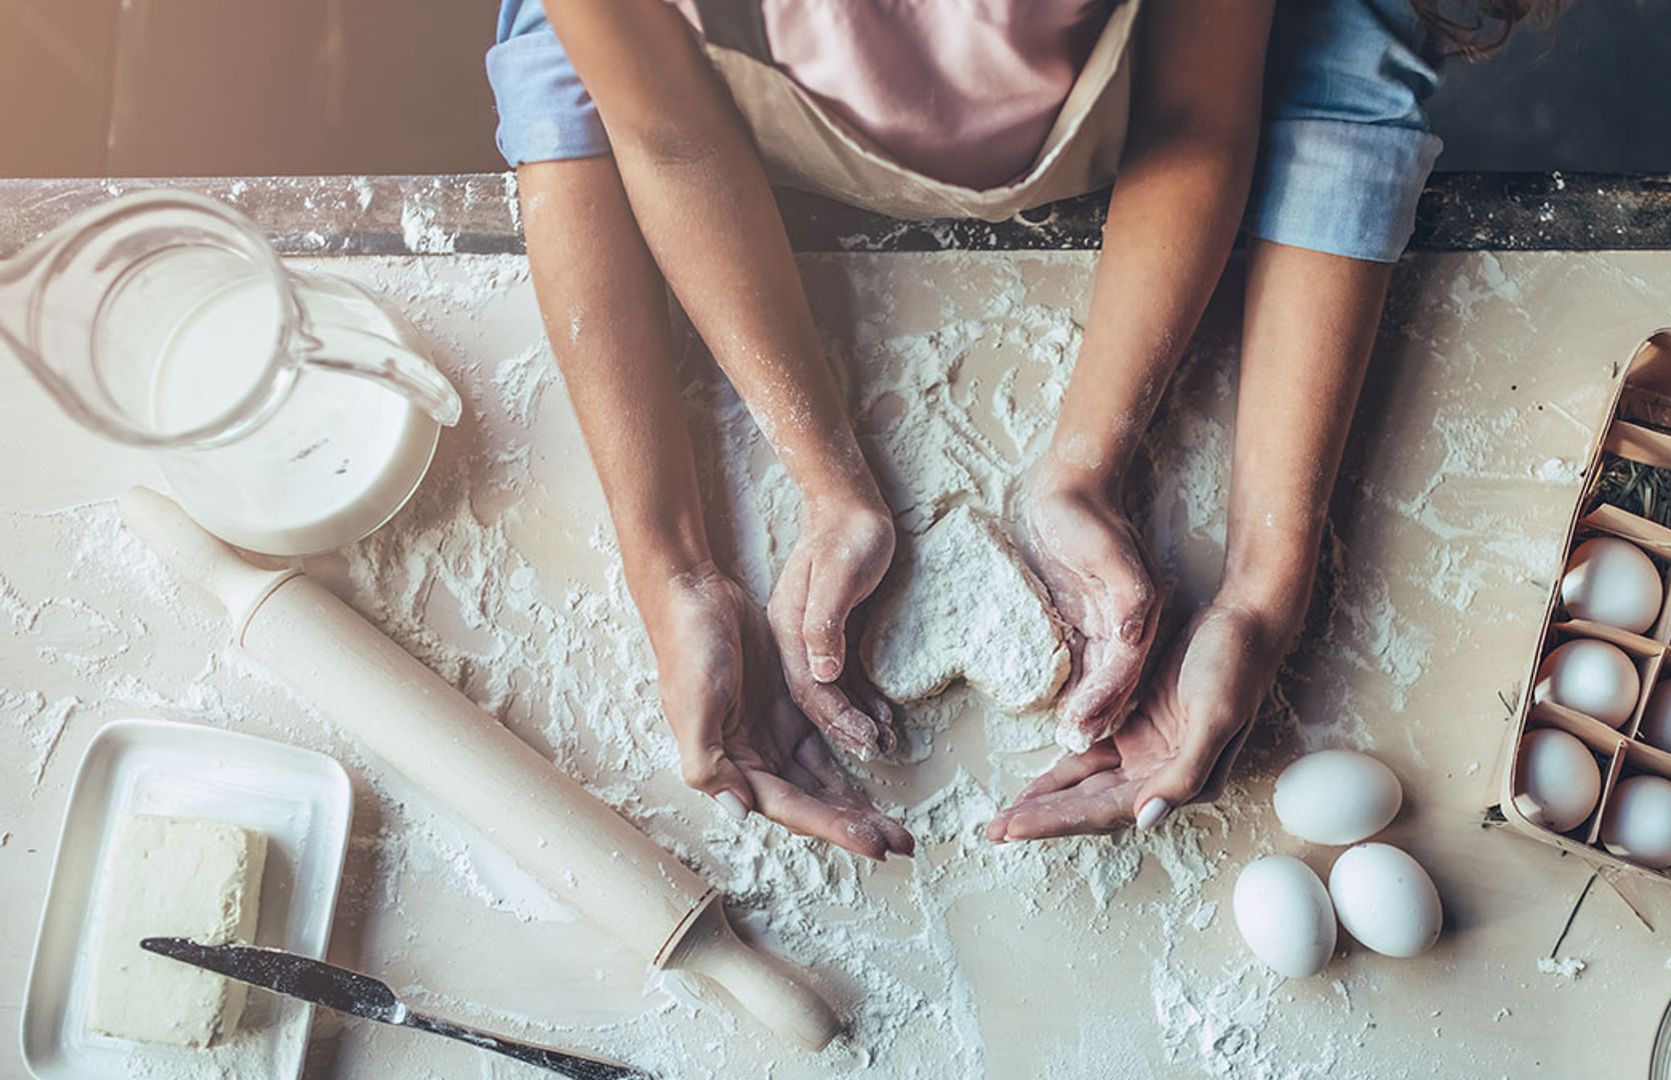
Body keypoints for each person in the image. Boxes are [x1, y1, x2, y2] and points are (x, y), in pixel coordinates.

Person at [486, 0, 1536, 858]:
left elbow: (1212, 104)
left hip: (1154, 121)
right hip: (732, 151)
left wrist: (1257, 586)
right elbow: (657, 128)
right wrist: (682, 559)